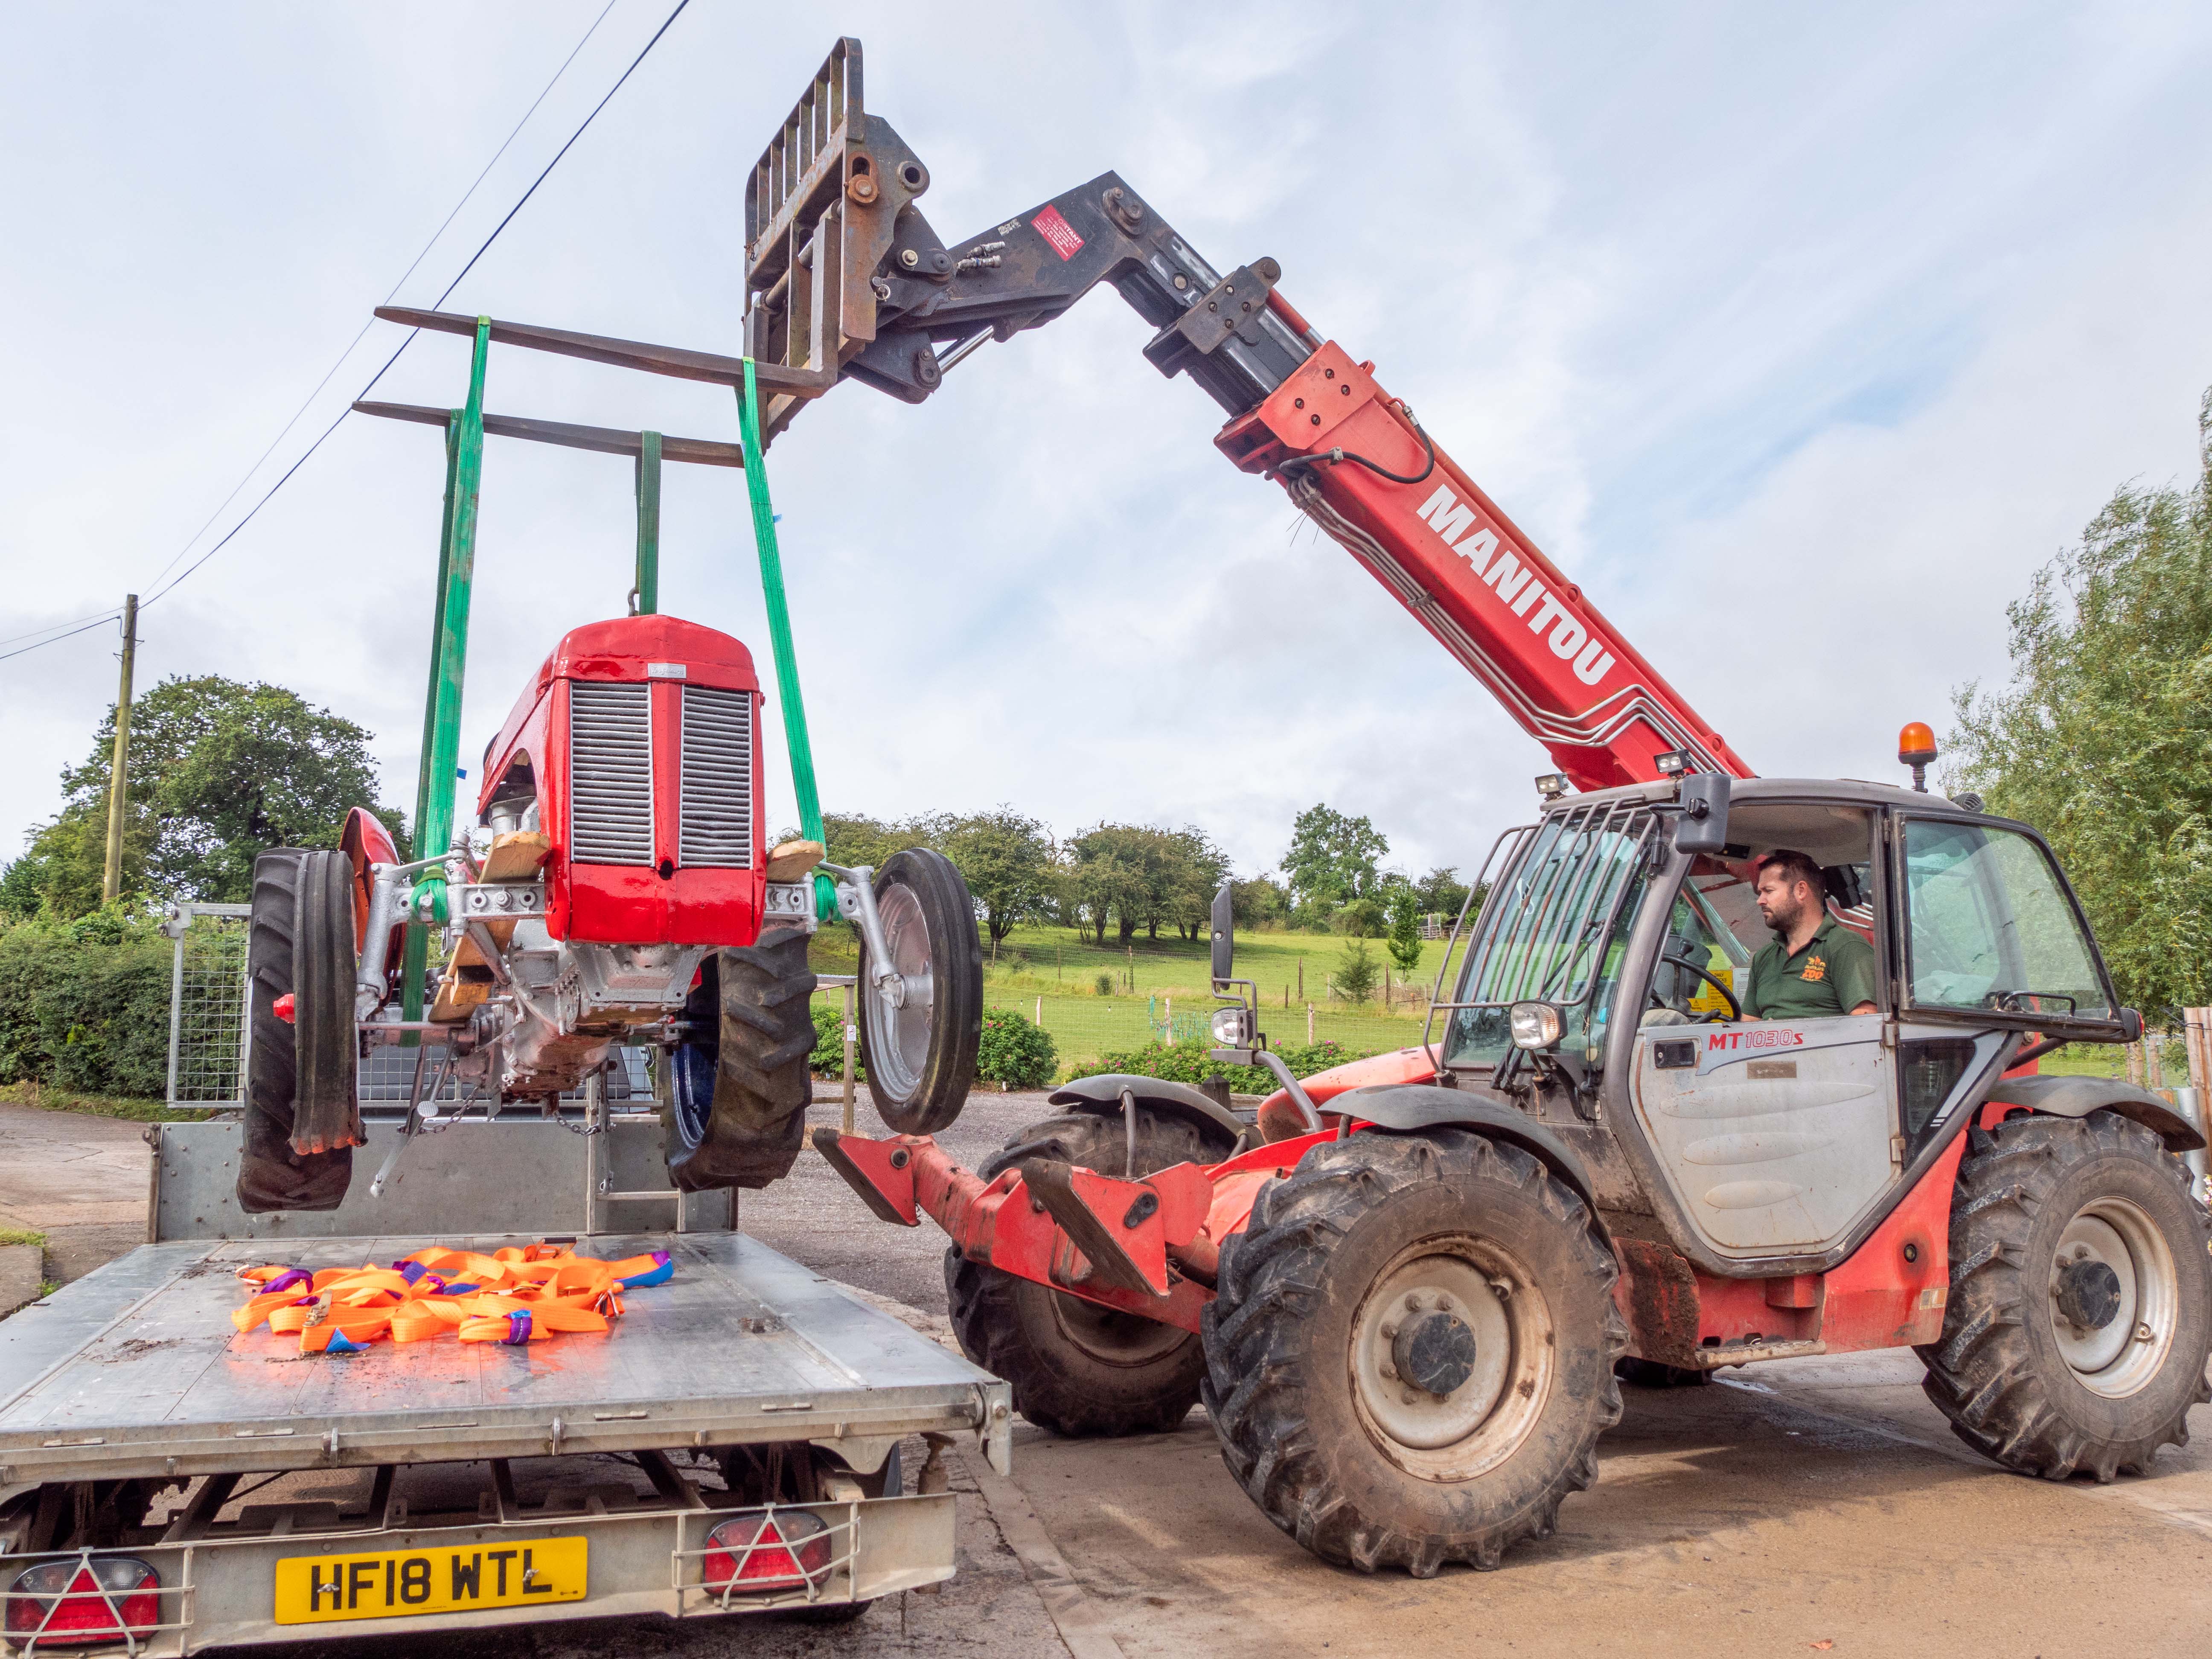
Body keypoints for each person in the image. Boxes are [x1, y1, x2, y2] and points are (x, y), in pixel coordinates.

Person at [1741, 849, 1877, 1020]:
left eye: (1768, 891)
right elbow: (1749, 1026)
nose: (1760, 900)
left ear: (1801, 891)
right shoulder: (1764, 957)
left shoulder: (1846, 948)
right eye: (1760, 893)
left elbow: (1865, 1027)